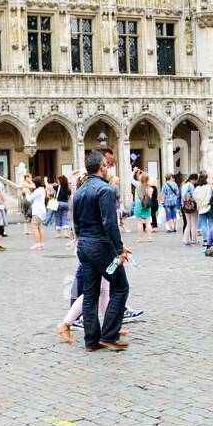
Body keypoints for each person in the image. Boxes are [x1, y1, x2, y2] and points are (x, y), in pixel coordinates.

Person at [72, 149, 131, 352]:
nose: (107, 167)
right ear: (102, 166)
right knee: (120, 286)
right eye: (106, 164)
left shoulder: (79, 191)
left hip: (84, 246)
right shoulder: (104, 189)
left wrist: (83, 241)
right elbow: (109, 223)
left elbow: (76, 224)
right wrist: (119, 250)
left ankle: (91, 341)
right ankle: (110, 335)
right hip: (101, 246)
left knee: (90, 294)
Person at [27, 178, 48, 250]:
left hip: (37, 211)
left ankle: (38, 244)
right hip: (42, 210)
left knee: (35, 228)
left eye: (33, 183)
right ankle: (41, 244)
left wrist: (26, 193)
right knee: (40, 228)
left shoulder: (37, 190)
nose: (32, 184)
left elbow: (29, 199)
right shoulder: (42, 189)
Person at [180, 173, 200, 245]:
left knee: (188, 223)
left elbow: (182, 196)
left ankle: (185, 240)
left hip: (185, 206)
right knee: (194, 223)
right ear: (195, 179)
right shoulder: (191, 186)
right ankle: (194, 240)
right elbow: (194, 197)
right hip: (192, 206)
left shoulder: (184, 185)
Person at [53, 174, 73, 239]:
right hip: (66, 204)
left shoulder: (57, 187)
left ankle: (58, 234)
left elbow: (48, 187)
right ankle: (66, 233)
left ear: (60, 181)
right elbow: (69, 197)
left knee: (58, 218)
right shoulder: (68, 188)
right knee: (65, 218)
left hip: (58, 204)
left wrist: (45, 181)